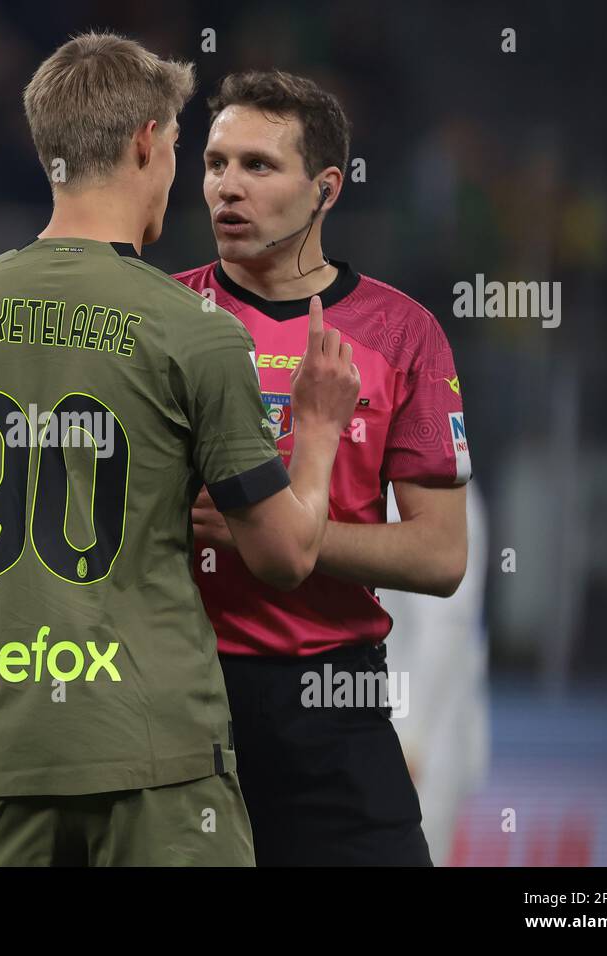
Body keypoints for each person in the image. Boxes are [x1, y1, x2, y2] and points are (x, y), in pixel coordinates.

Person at [0, 34, 359, 866]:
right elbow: (285, 555)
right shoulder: (196, 332)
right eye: (179, 149)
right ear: (146, 142)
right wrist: (316, 435)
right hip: (160, 762)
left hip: (10, 755)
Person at [181, 70, 472, 865]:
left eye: (258, 166)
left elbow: (442, 557)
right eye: (215, 163)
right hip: (182, 701)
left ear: (325, 190)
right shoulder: (162, 319)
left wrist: (276, 535)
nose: (226, 188)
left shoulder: (403, 333)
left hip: (336, 703)